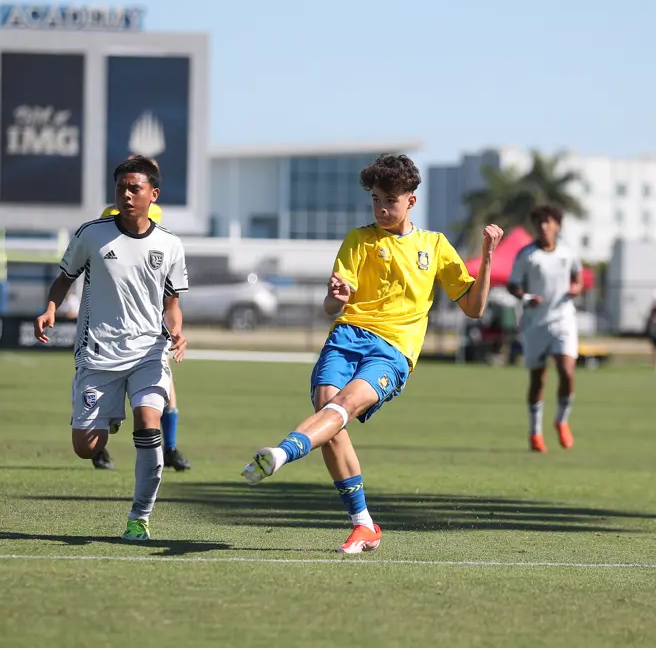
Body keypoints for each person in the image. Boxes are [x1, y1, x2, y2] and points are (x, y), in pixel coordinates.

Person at [239, 153, 503, 554]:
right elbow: (332, 306)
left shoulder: (434, 246)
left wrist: (486, 258)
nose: (381, 208)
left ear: (411, 201)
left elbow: (474, 308)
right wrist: (335, 297)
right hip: (346, 337)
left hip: (393, 351)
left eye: (390, 201)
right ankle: (364, 525)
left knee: (340, 406)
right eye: (376, 199)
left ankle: (281, 453)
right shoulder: (358, 239)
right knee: (329, 412)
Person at [34, 155, 189, 541]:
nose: (126, 194)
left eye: (135, 188)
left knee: (148, 425)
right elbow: (64, 279)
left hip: (149, 353)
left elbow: (172, 305)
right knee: (87, 448)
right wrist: (51, 308)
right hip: (98, 353)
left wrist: (178, 332)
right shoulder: (92, 234)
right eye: (121, 187)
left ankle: (140, 518)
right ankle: (108, 418)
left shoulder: (170, 245)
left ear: (153, 194)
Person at [92, 197, 192, 473]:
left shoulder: (158, 226)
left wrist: (175, 329)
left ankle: (169, 449)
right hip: (109, 329)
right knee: (100, 395)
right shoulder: (109, 216)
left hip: (150, 327)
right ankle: (98, 448)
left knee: (167, 390)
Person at [505, 203, 584, 453]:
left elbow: (579, 278)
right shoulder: (527, 255)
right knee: (538, 379)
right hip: (535, 322)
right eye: (539, 222)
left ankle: (561, 420)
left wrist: (576, 289)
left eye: (548, 221)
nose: (543, 226)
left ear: (557, 225)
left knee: (567, 370)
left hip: (563, 319)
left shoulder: (568, 253)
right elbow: (513, 284)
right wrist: (527, 297)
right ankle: (535, 433)